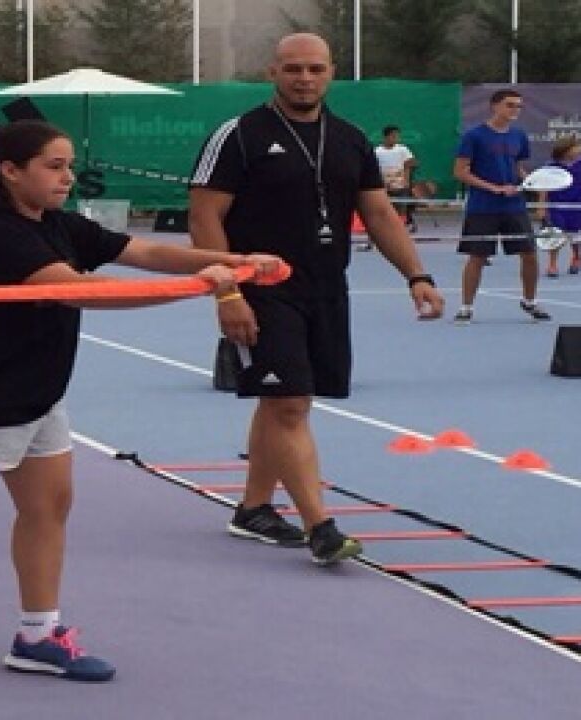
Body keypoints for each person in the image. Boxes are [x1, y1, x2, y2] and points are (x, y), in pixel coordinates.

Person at [0, 119, 280, 706]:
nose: (67, 176)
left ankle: (36, 634)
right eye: (54, 166)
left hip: (37, 390)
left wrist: (236, 257)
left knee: (47, 509)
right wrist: (203, 284)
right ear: (11, 171)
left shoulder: (59, 224)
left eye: (69, 165)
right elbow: (78, 290)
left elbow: (145, 249)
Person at [188, 33, 444, 566]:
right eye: (293, 69)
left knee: (278, 399)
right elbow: (204, 217)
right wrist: (227, 290)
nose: (304, 78)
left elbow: (378, 215)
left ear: (331, 73)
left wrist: (416, 275)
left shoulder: (350, 140)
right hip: (261, 289)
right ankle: (320, 528)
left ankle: (253, 509)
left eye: (315, 69)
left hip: (327, 288)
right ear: (272, 73)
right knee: (289, 404)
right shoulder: (238, 135)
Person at [453, 89, 550, 324]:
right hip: (482, 207)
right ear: (494, 106)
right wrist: (492, 188)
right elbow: (460, 172)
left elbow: (517, 169)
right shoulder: (473, 136)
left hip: (514, 206)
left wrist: (531, 184)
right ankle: (466, 307)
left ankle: (530, 302)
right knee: (477, 256)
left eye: (518, 106)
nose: (515, 110)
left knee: (529, 254)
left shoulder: (518, 136)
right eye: (510, 105)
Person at [537, 135, 581, 278]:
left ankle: (576, 258)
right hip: (556, 206)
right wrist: (541, 207)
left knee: (576, 236)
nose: (578, 149)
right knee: (555, 236)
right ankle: (552, 264)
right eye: (575, 146)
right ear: (566, 149)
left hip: (576, 207)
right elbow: (544, 187)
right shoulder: (551, 167)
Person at [375, 125, 417, 231]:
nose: (396, 138)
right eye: (393, 136)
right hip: (384, 187)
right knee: (384, 210)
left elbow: (411, 163)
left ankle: (402, 229)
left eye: (397, 136)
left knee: (401, 209)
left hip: (400, 186)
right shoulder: (377, 151)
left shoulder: (402, 149)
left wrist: (405, 179)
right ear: (386, 137)